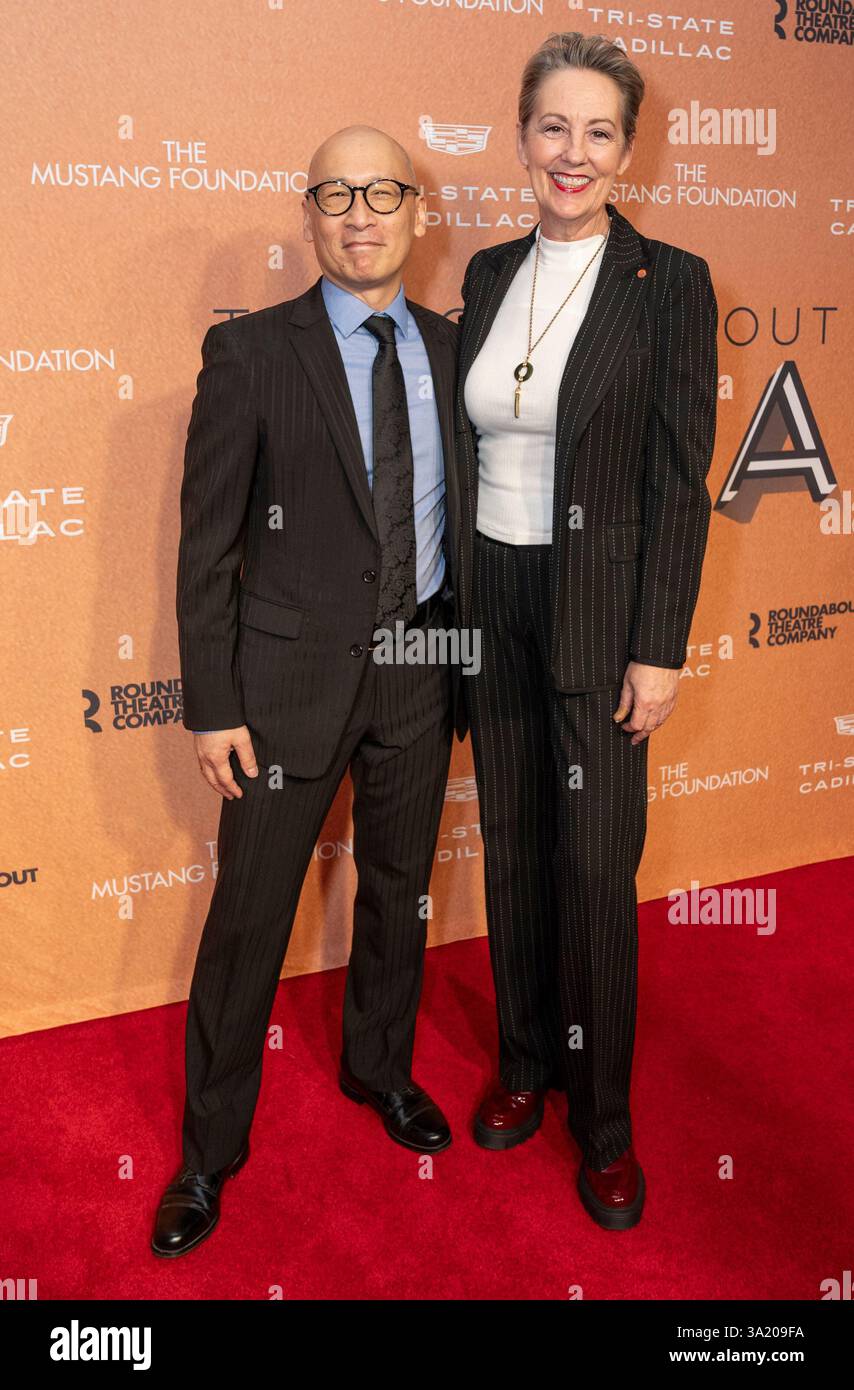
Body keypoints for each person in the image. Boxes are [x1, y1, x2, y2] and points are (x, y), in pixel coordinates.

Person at [152, 125, 465, 1259]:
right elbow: (207, 548)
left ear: (415, 214)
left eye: (383, 190)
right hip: (280, 687)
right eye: (335, 192)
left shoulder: (448, 349)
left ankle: (380, 1071)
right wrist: (211, 701)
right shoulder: (251, 356)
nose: (360, 211)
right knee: (250, 922)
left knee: (397, 893)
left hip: (421, 672)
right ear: (310, 215)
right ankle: (205, 1154)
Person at [455, 32, 719, 1229]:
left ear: (625, 148)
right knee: (510, 839)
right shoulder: (484, 270)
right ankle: (524, 1065)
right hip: (490, 601)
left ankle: (602, 1126)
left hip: (600, 614)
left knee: (593, 866)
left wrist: (657, 645)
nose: (572, 153)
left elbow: (676, 481)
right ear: (522, 137)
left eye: (597, 131)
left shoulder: (667, 282)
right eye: (552, 127)